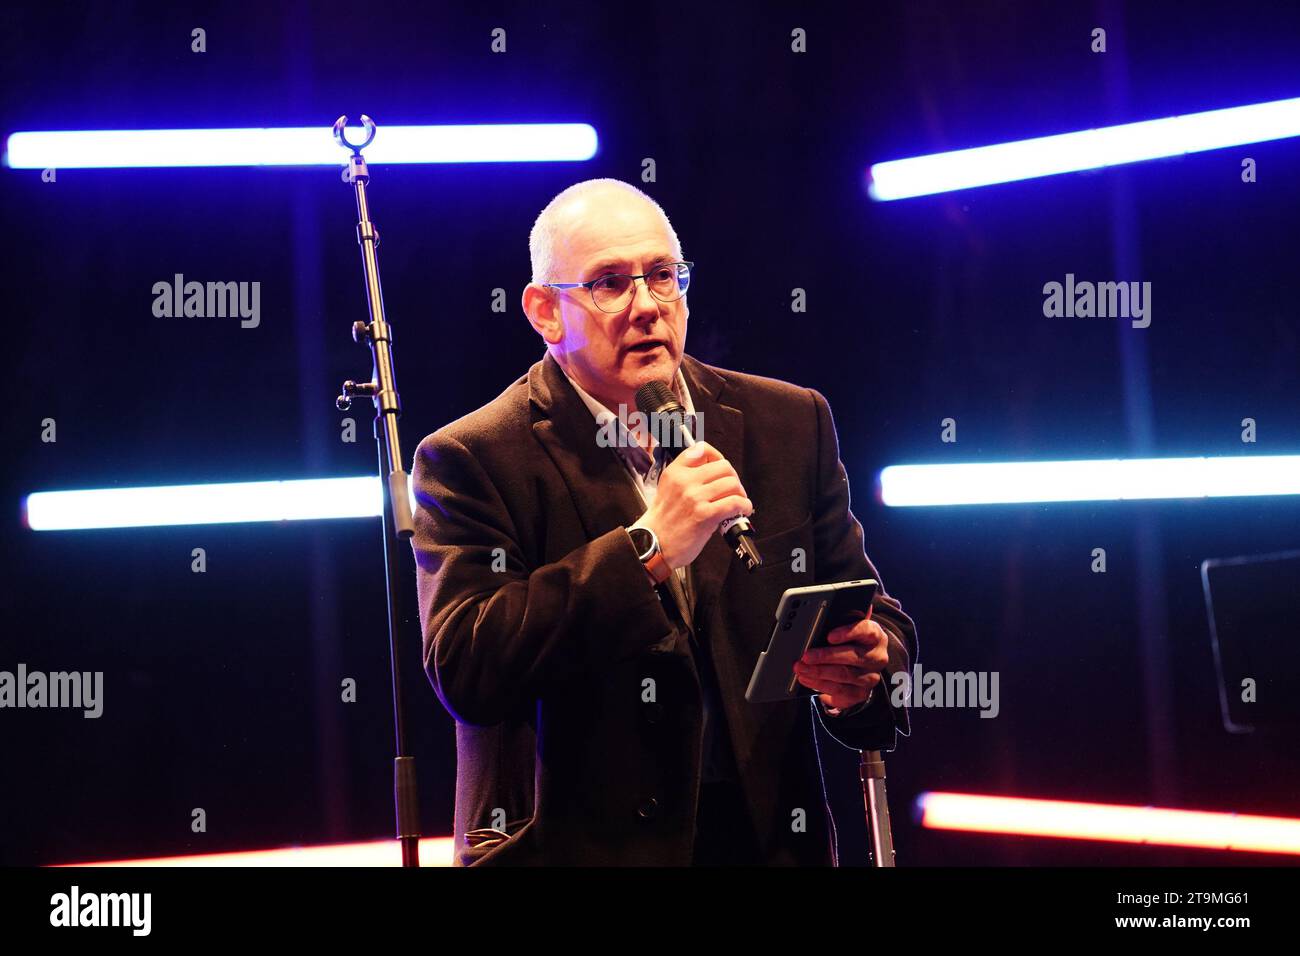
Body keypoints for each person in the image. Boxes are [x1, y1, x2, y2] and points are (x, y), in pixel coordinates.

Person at [411, 178, 916, 866]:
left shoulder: (786, 421)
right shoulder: (473, 457)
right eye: (610, 284)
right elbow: (467, 667)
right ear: (545, 312)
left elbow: (870, 607)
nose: (647, 306)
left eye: (662, 277)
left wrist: (863, 665)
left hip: (762, 845)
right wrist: (645, 547)